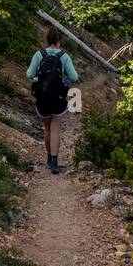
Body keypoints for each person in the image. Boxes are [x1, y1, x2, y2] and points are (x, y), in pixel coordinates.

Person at [26, 26, 79, 174]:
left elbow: (29, 74)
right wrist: (65, 83)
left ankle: (49, 157)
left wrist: (38, 78)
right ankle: (55, 162)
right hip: (59, 97)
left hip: (42, 97)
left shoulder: (39, 54)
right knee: (56, 128)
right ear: (59, 41)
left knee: (47, 128)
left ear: (47, 40)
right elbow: (74, 77)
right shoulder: (64, 56)